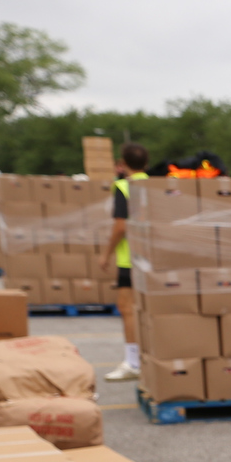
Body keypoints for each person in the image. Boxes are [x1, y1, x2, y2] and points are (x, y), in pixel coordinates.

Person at [97, 143, 153, 382]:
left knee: (127, 308)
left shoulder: (123, 186)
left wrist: (106, 253)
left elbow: (120, 226)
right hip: (151, 256)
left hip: (129, 258)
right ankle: (149, 357)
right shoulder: (153, 185)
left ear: (122, 164)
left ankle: (133, 362)